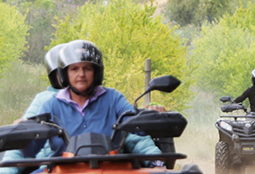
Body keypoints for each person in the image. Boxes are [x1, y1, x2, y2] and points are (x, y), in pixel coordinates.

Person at [29, 40, 161, 161]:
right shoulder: (51, 105)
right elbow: (31, 147)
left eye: (87, 68)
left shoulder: (113, 98)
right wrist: (24, 129)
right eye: (74, 69)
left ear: (96, 73)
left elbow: (135, 124)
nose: (81, 74)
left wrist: (152, 116)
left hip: (113, 171)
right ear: (65, 74)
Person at [0, 43, 68, 174]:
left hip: (95, 165)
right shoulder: (45, 100)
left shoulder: (104, 99)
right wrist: (6, 173)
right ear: (54, 75)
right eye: (63, 72)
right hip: (51, 168)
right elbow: (23, 138)